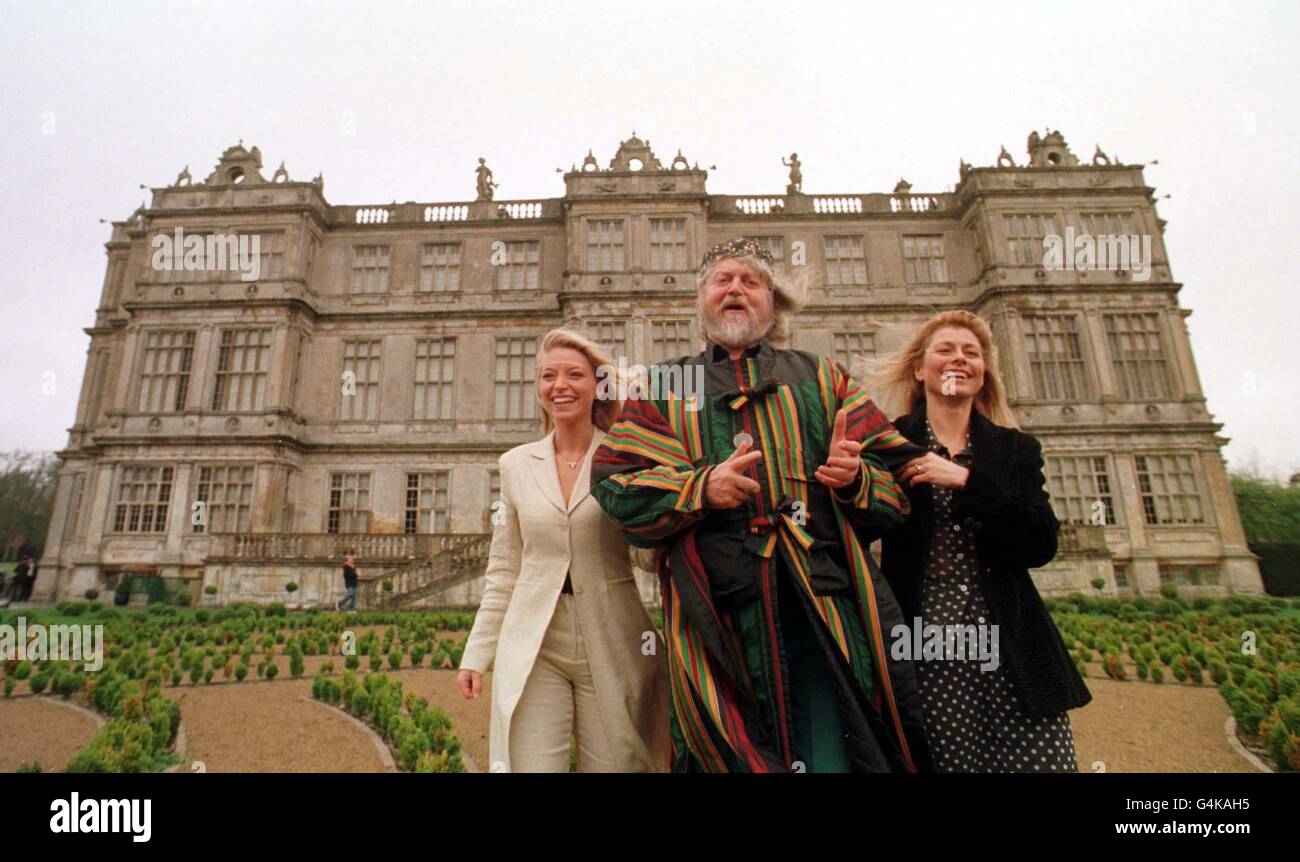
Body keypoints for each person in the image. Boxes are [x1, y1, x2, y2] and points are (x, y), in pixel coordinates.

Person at [591, 237, 931, 773]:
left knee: (832, 756)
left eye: (751, 282)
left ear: (771, 303)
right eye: (722, 280)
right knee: (729, 756)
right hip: (715, 622)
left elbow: (900, 484)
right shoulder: (662, 388)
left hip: (818, 610)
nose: (735, 290)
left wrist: (854, 478)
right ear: (701, 300)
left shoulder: (823, 379)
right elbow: (616, 485)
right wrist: (700, 489)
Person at [872, 310, 1091, 772]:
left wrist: (967, 481)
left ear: (984, 370)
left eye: (972, 352)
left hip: (1009, 643)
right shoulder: (890, 444)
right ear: (919, 368)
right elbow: (861, 527)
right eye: (945, 350)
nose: (960, 359)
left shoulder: (1014, 449)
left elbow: (1039, 544)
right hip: (926, 643)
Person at [457, 329, 669, 773]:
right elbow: (503, 570)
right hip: (537, 642)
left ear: (598, 386)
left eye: (575, 374)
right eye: (548, 376)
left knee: (620, 764)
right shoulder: (515, 465)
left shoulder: (623, 456)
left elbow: (648, 555)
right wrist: (477, 653)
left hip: (613, 638)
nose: (560, 385)